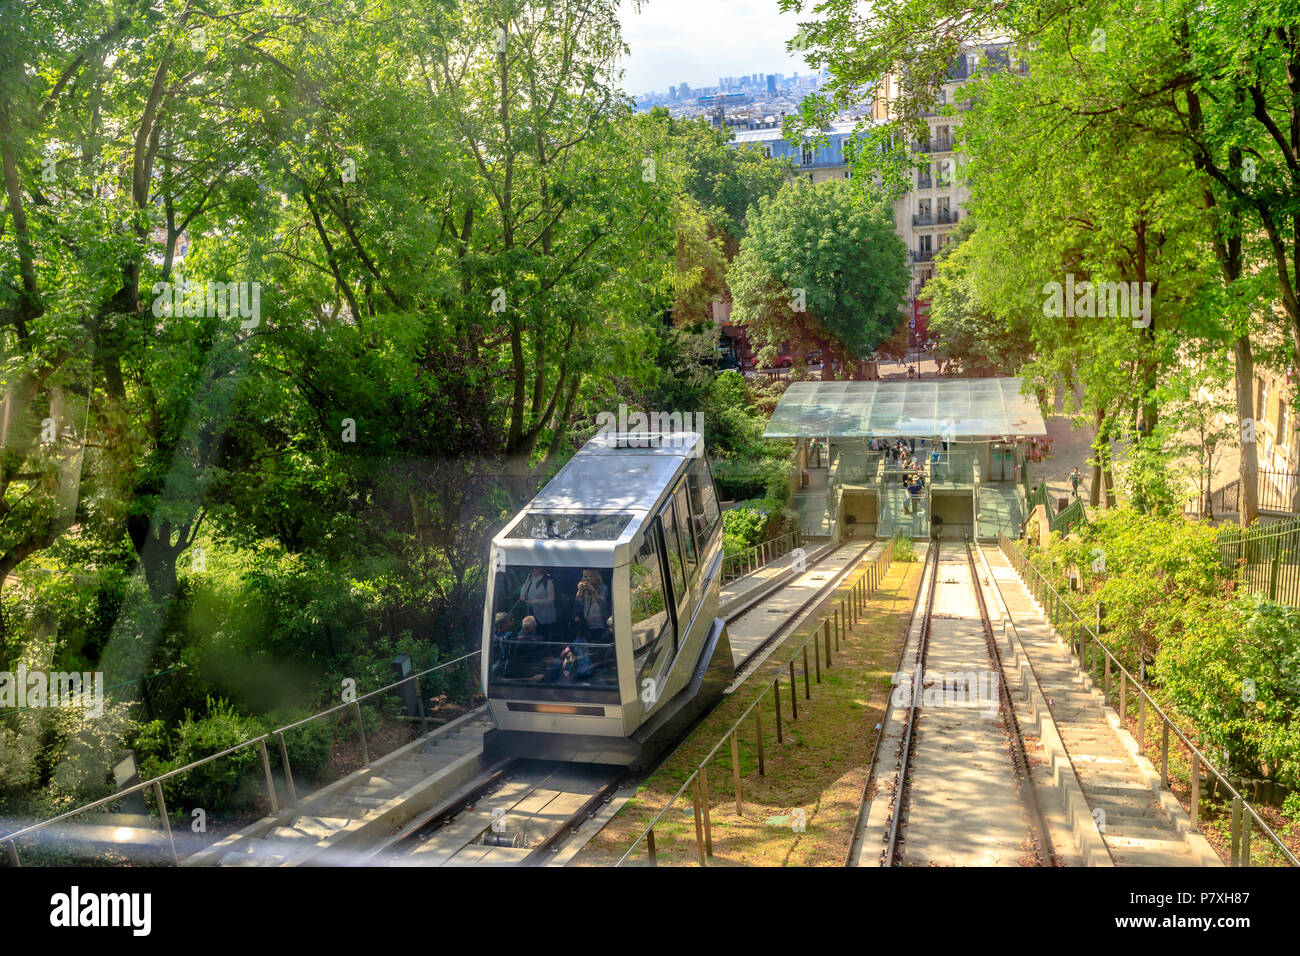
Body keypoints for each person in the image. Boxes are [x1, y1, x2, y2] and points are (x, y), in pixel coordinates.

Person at [518, 567, 556, 634]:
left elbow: (551, 599)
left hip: (544, 617)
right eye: (533, 568)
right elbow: (524, 588)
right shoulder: (529, 578)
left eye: (536, 568)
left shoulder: (547, 581)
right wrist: (522, 595)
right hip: (531, 614)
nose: (534, 569)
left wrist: (533, 602)